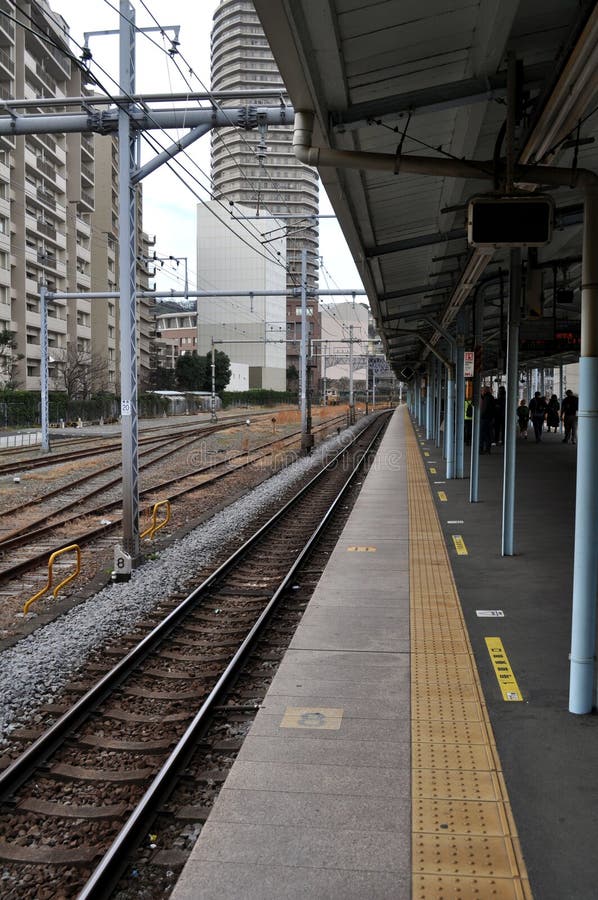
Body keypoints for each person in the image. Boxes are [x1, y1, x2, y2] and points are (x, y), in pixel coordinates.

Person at [479, 386, 495, 454]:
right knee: (487, 433)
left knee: (483, 434)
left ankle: (482, 449)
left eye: (482, 391)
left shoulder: (486, 398)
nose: (481, 392)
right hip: (489, 418)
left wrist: (481, 416)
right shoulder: (490, 397)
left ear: (485, 391)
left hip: (485, 418)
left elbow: (484, 409)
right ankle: (487, 449)